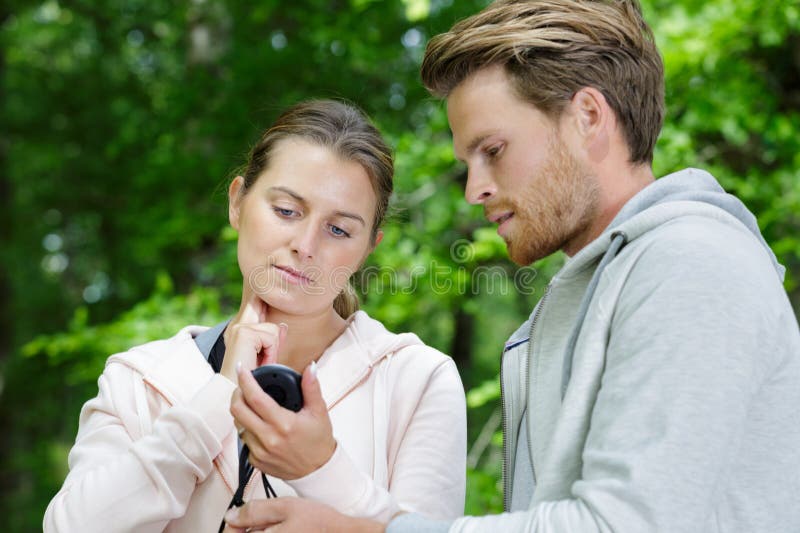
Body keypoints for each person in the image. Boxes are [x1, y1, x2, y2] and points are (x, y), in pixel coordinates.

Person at [220, 1, 800, 532]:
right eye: (467, 161)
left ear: (588, 118)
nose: (474, 190)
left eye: (492, 150)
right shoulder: (587, 294)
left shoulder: (691, 266)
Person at [43, 99, 467, 532]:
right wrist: (216, 398)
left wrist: (321, 469)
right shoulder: (139, 379)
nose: (306, 244)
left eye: (338, 229)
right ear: (237, 202)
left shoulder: (416, 380)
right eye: (286, 211)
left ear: (367, 249)